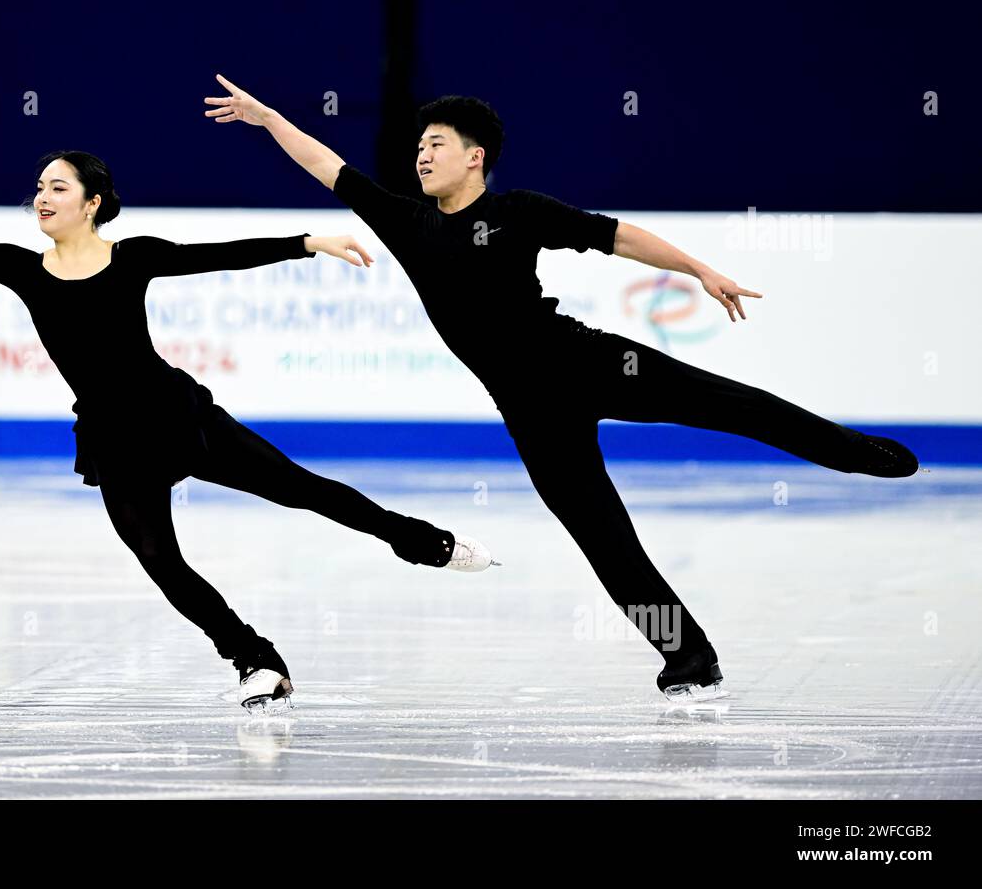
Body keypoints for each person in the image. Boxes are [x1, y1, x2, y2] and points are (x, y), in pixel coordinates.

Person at [202, 78, 920, 702]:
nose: (422, 153)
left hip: (589, 363)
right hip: (533, 415)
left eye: (438, 142)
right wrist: (269, 119)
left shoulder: (519, 211)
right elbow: (327, 164)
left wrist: (701, 271)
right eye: (419, 143)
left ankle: (856, 452)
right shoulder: (406, 222)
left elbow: (618, 238)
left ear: (474, 155)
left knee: (734, 405)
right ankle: (688, 657)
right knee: (606, 543)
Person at [0, 149, 496, 712]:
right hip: (115, 442)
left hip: (178, 418)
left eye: (58, 187)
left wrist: (309, 240)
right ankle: (257, 661)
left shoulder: (136, 256)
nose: (41, 196)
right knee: (161, 561)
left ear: (92, 203)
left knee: (301, 489)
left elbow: (218, 256)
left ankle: (421, 540)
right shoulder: (24, 272)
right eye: (38, 186)